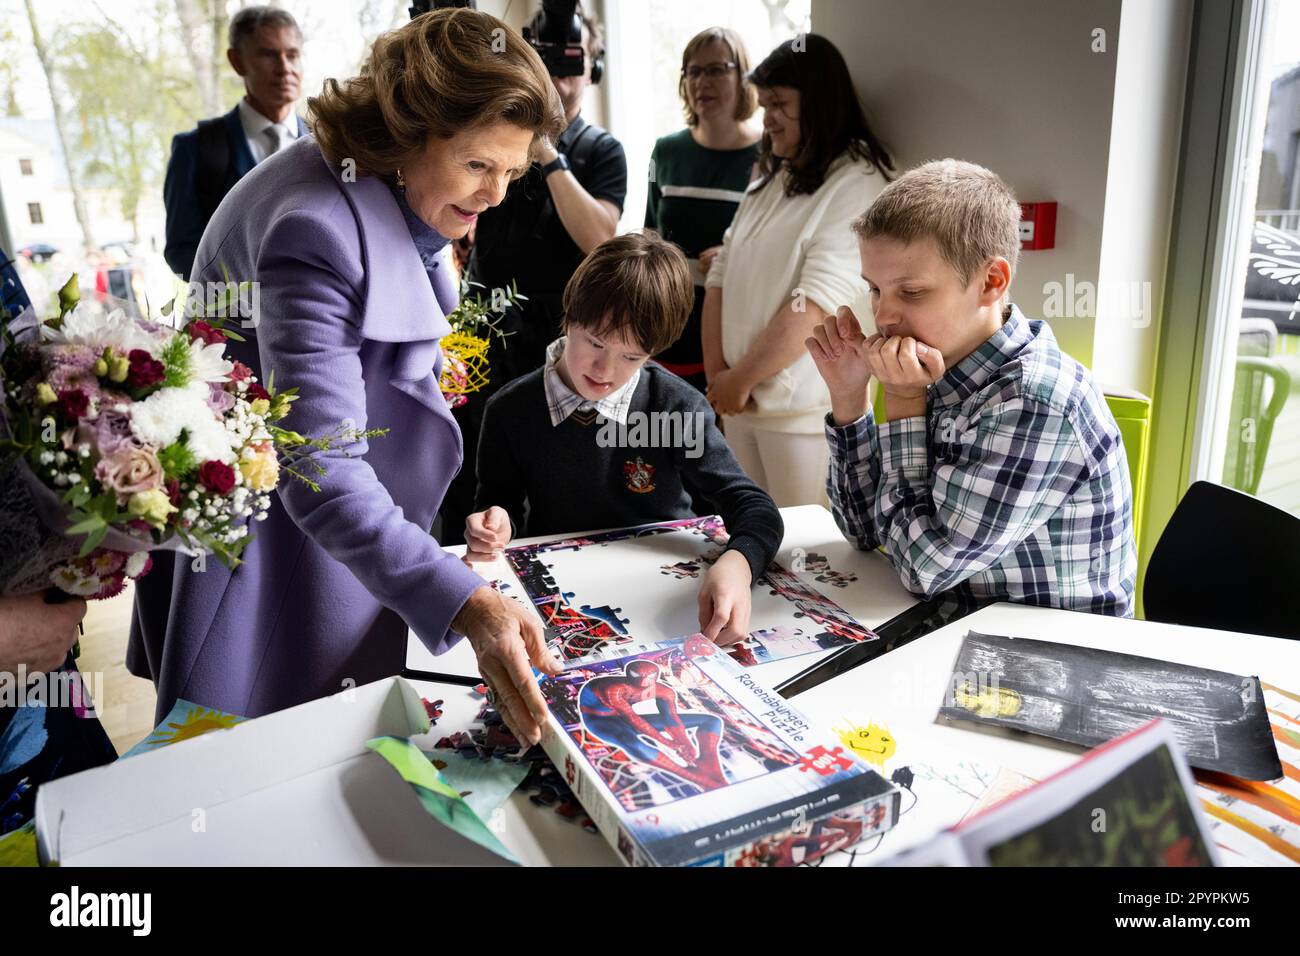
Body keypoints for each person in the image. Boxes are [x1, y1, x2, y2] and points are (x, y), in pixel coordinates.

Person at [130, 9, 569, 747]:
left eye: (513, 173)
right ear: (409, 130)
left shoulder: (386, 178)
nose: (495, 196)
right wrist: (468, 603)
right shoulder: (316, 228)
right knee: (253, 757)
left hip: (311, 522)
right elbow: (319, 465)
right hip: (267, 543)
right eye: (477, 166)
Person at [808, 159, 1136, 616]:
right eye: (875, 290)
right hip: (947, 626)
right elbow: (863, 531)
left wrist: (903, 402)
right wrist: (849, 399)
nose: (883, 316)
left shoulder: (1034, 400)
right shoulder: (936, 367)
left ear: (991, 282)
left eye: (913, 292)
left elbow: (922, 570)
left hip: (1039, 657)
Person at [467, 231, 784, 647]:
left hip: (664, 596)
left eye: (631, 357)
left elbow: (755, 507)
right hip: (561, 597)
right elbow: (495, 503)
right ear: (569, 318)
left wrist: (739, 564)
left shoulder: (675, 406)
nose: (604, 369)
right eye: (594, 342)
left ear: (653, 353)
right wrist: (492, 522)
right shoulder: (510, 409)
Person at [440, 2, 627, 546]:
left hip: (559, 337)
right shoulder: (497, 136)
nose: (562, 84)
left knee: (553, 466)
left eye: (574, 68)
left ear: (593, 69)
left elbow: (601, 238)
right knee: (470, 463)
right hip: (481, 329)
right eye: (551, 68)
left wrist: (547, 155)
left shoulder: (601, 151)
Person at [703, 34, 894, 507]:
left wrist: (741, 377)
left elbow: (816, 303)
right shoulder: (772, 174)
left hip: (803, 417)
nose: (767, 118)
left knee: (805, 563)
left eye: (779, 104)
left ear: (820, 105)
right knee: (748, 545)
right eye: (764, 103)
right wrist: (720, 377)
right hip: (739, 404)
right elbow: (721, 270)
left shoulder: (859, 181)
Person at [644, 27, 761, 393]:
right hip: (667, 328)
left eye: (715, 70)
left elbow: (781, 250)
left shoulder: (770, 157)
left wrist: (734, 258)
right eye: (692, 71)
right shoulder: (666, 151)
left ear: (743, 77)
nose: (701, 82)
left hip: (736, 330)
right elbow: (649, 237)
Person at [163, 6, 308, 280]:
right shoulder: (194, 150)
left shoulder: (328, 145)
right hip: (230, 318)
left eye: (292, 55)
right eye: (268, 54)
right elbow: (181, 250)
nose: (284, 68)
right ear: (237, 61)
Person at [579, 659, 728, 792]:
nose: (643, 683)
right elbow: (632, 719)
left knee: (712, 721)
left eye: (647, 679)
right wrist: (669, 743)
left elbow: (670, 719)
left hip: (620, 717)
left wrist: (686, 744)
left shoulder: (665, 691)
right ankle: (692, 777)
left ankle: (710, 762)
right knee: (631, 742)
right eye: (639, 678)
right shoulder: (616, 688)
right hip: (599, 720)